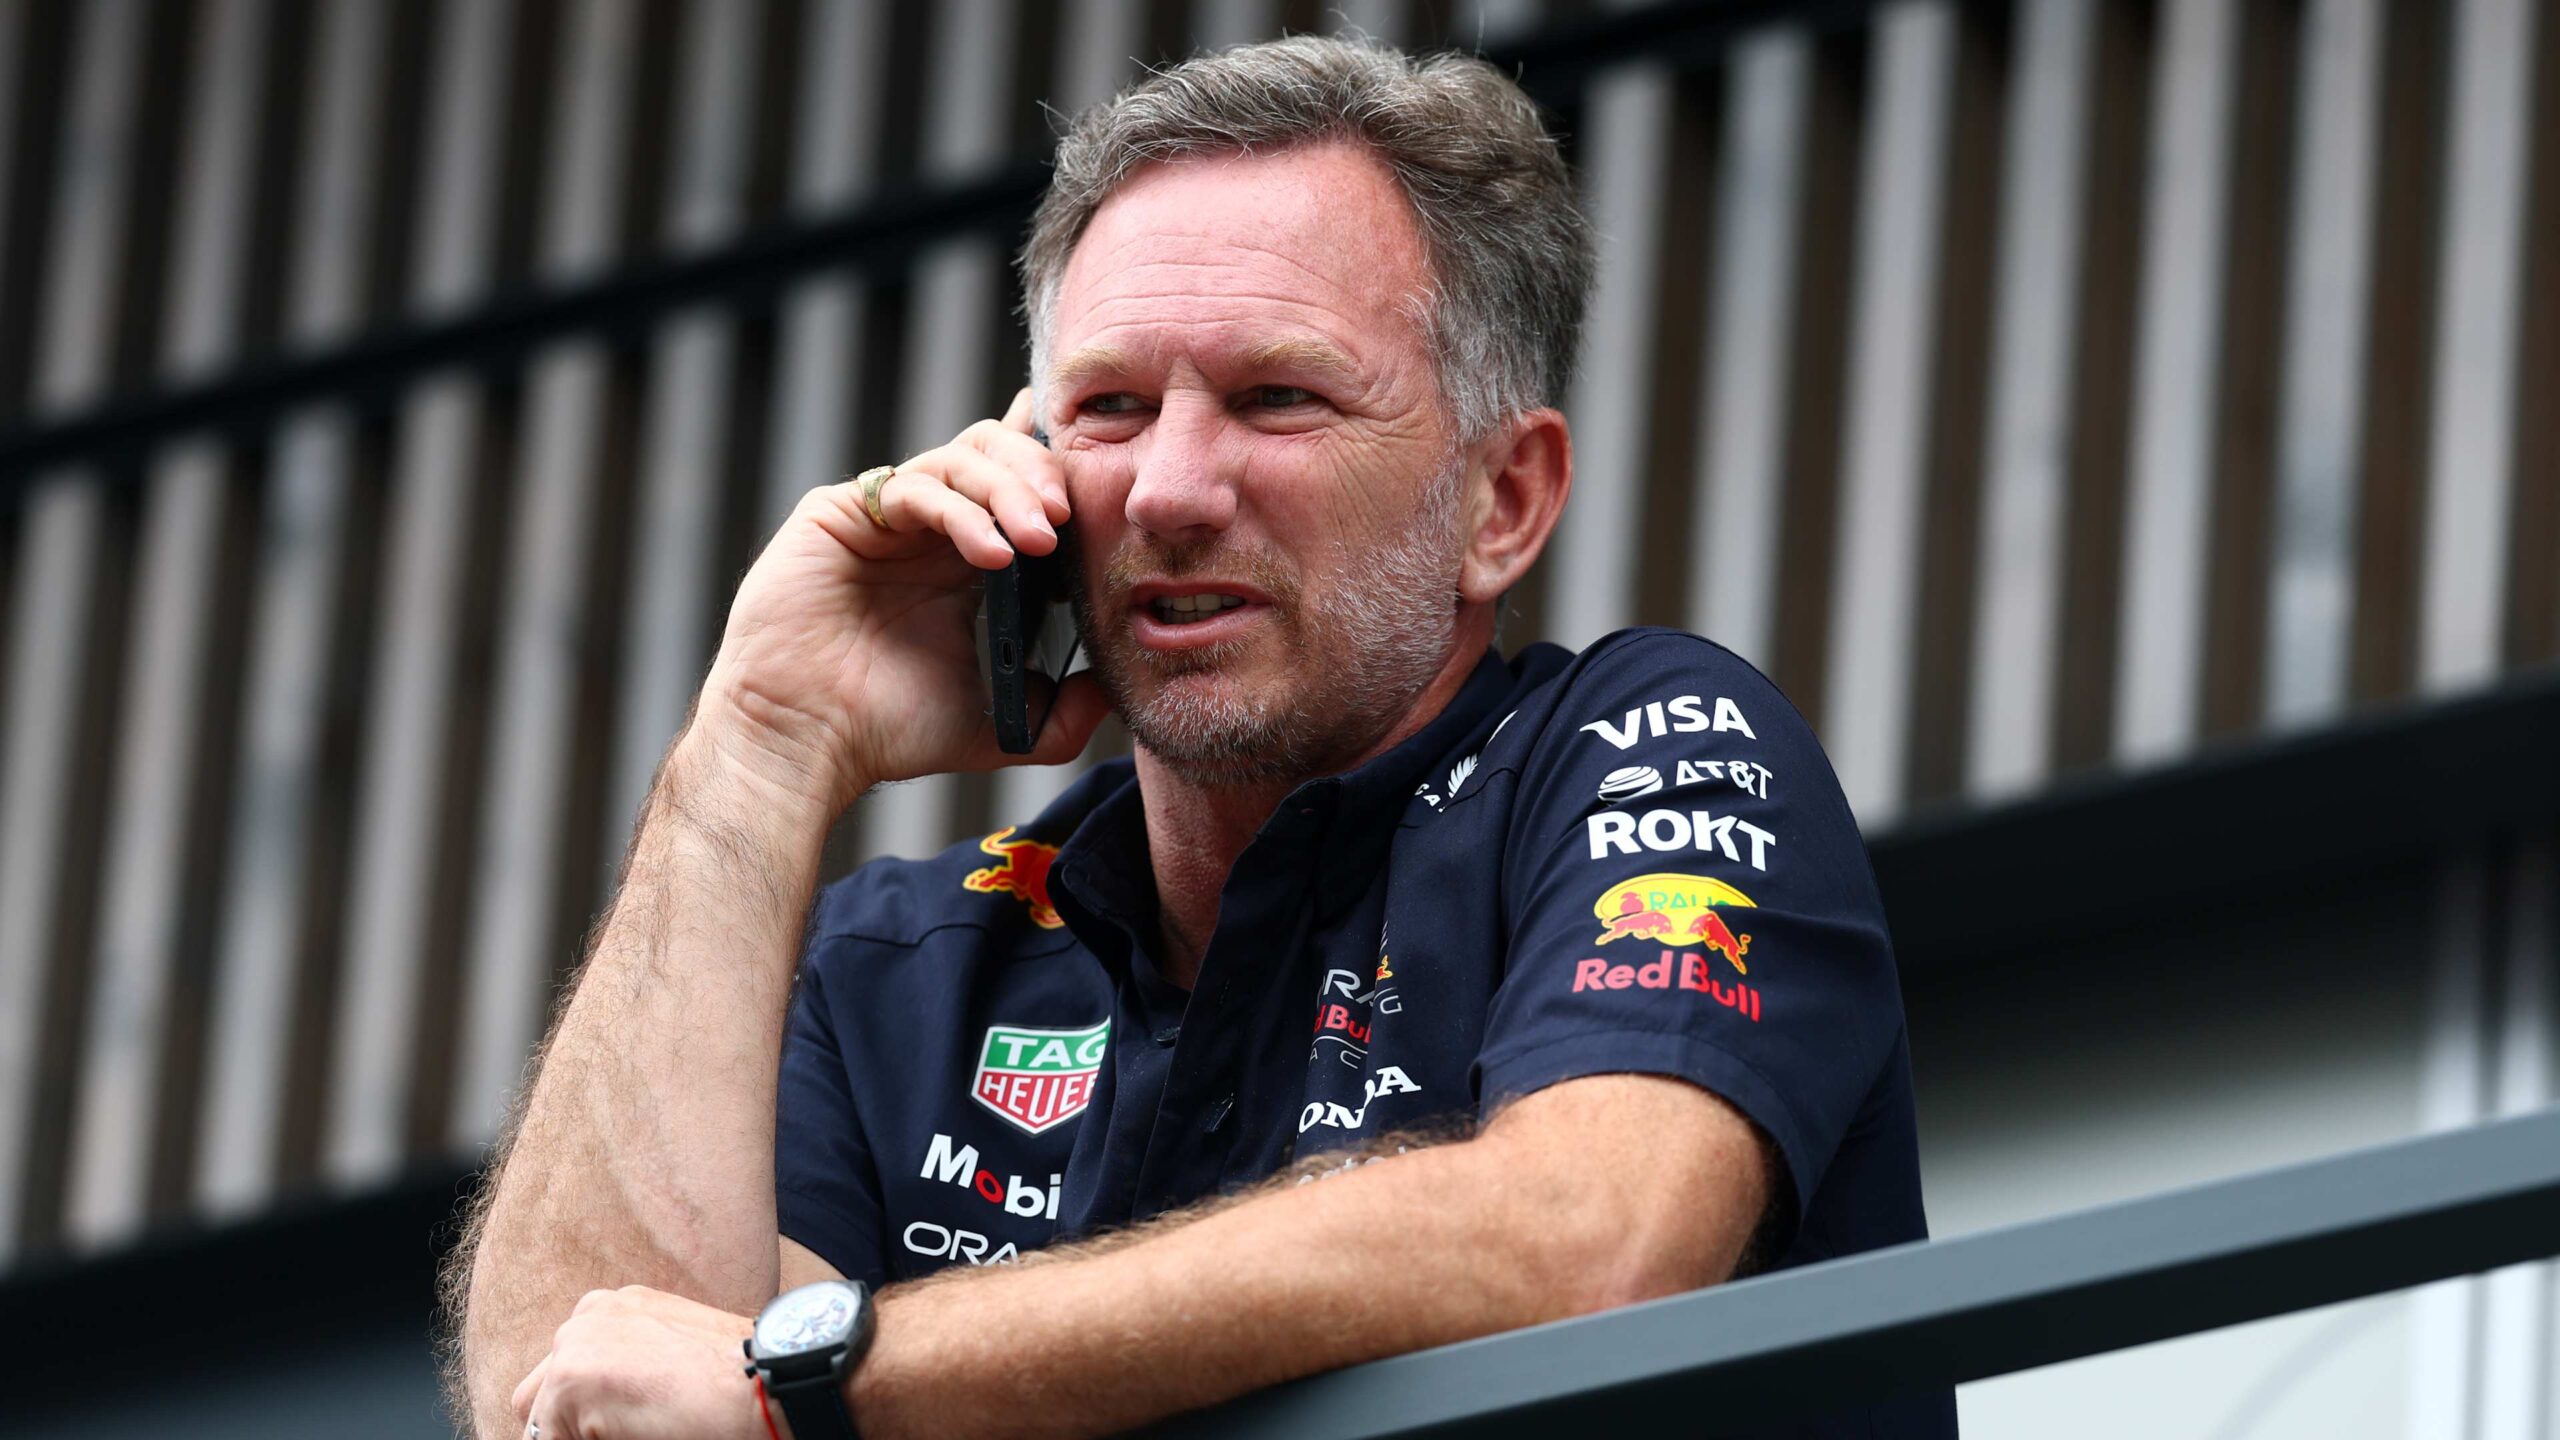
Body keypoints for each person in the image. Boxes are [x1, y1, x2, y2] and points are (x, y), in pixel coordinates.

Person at [448, 35, 1952, 1440]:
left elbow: (1591, 1236)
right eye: (1107, 407)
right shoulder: (900, 961)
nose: (1168, 490)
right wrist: (761, 746)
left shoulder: (1646, 745)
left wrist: (819, 1374)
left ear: (1503, 501)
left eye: (1276, 397)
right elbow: (572, 1399)